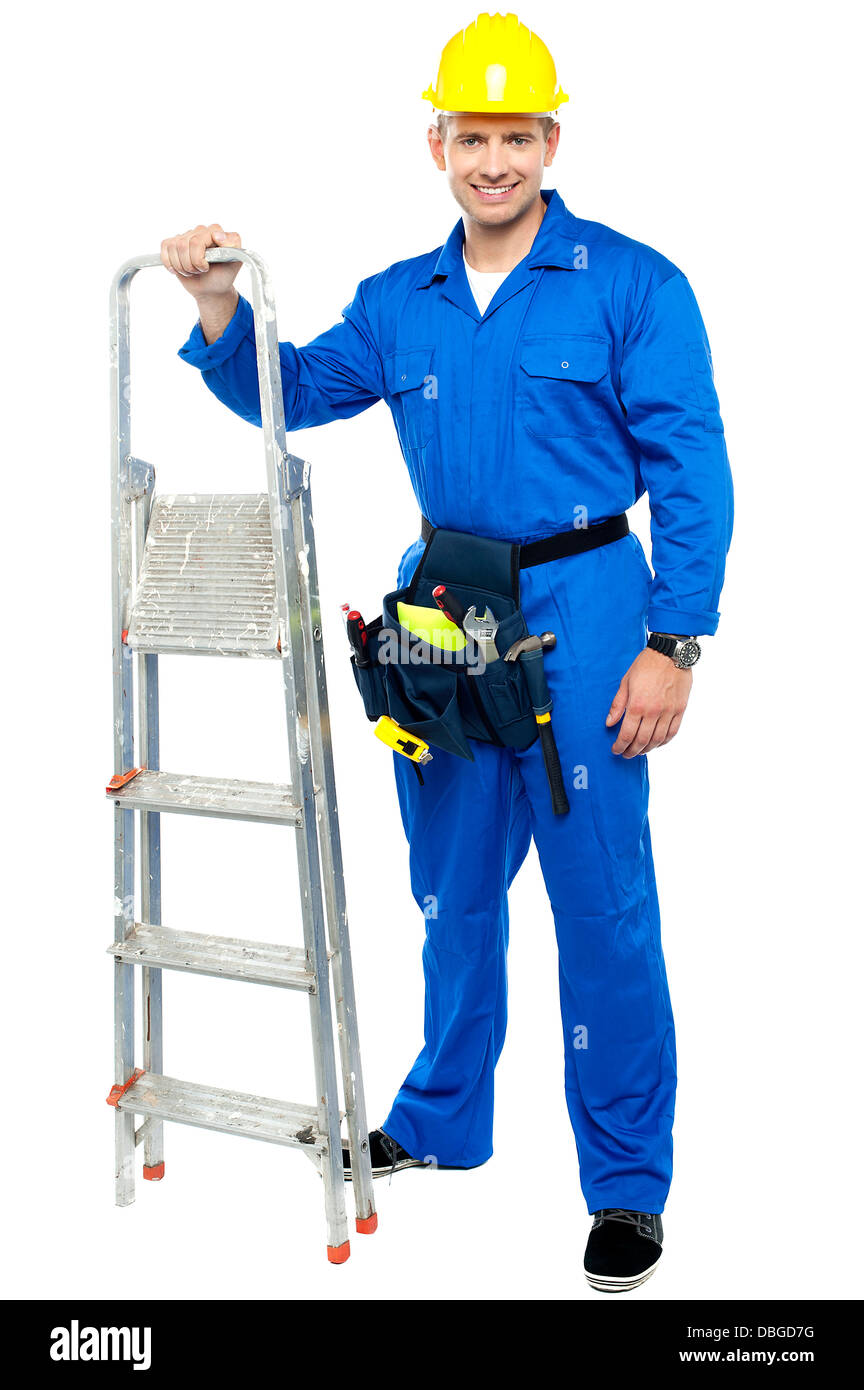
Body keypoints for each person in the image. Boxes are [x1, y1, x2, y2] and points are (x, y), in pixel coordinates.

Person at [161, 11, 733, 1293]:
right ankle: (439, 1118)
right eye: (470, 136)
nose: (493, 160)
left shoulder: (634, 283)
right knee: (452, 893)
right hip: (441, 613)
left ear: (550, 138)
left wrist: (675, 642)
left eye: (514, 135)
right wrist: (218, 302)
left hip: (588, 613)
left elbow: (693, 469)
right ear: (437, 142)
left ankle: (628, 1186)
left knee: (602, 910)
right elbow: (291, 392)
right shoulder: (399, 301)